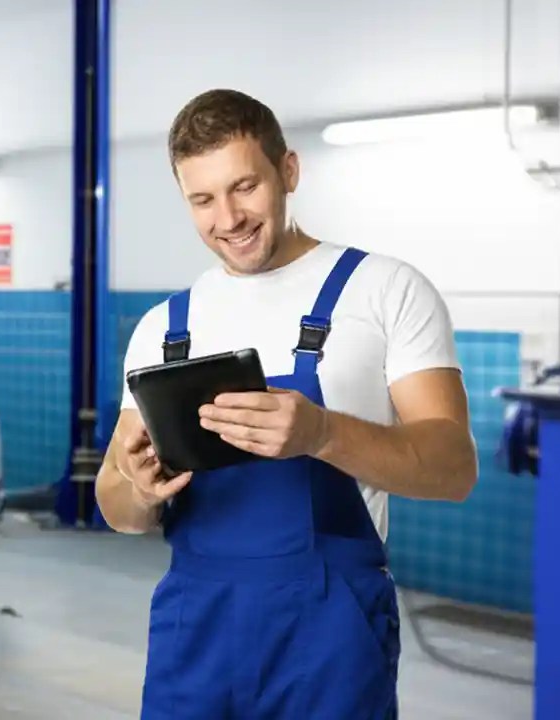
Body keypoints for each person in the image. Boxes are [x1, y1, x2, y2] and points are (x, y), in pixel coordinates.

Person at [96, 88, 479, 718]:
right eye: (202, 199)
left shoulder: (384, 290)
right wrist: (138, 490)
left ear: (289, 172)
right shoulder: (165, 329)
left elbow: (453, 466)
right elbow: (118, 505)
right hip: (196, 634)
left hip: (329, 639)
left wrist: (322, 434)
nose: (228, 218)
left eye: (244, 186)